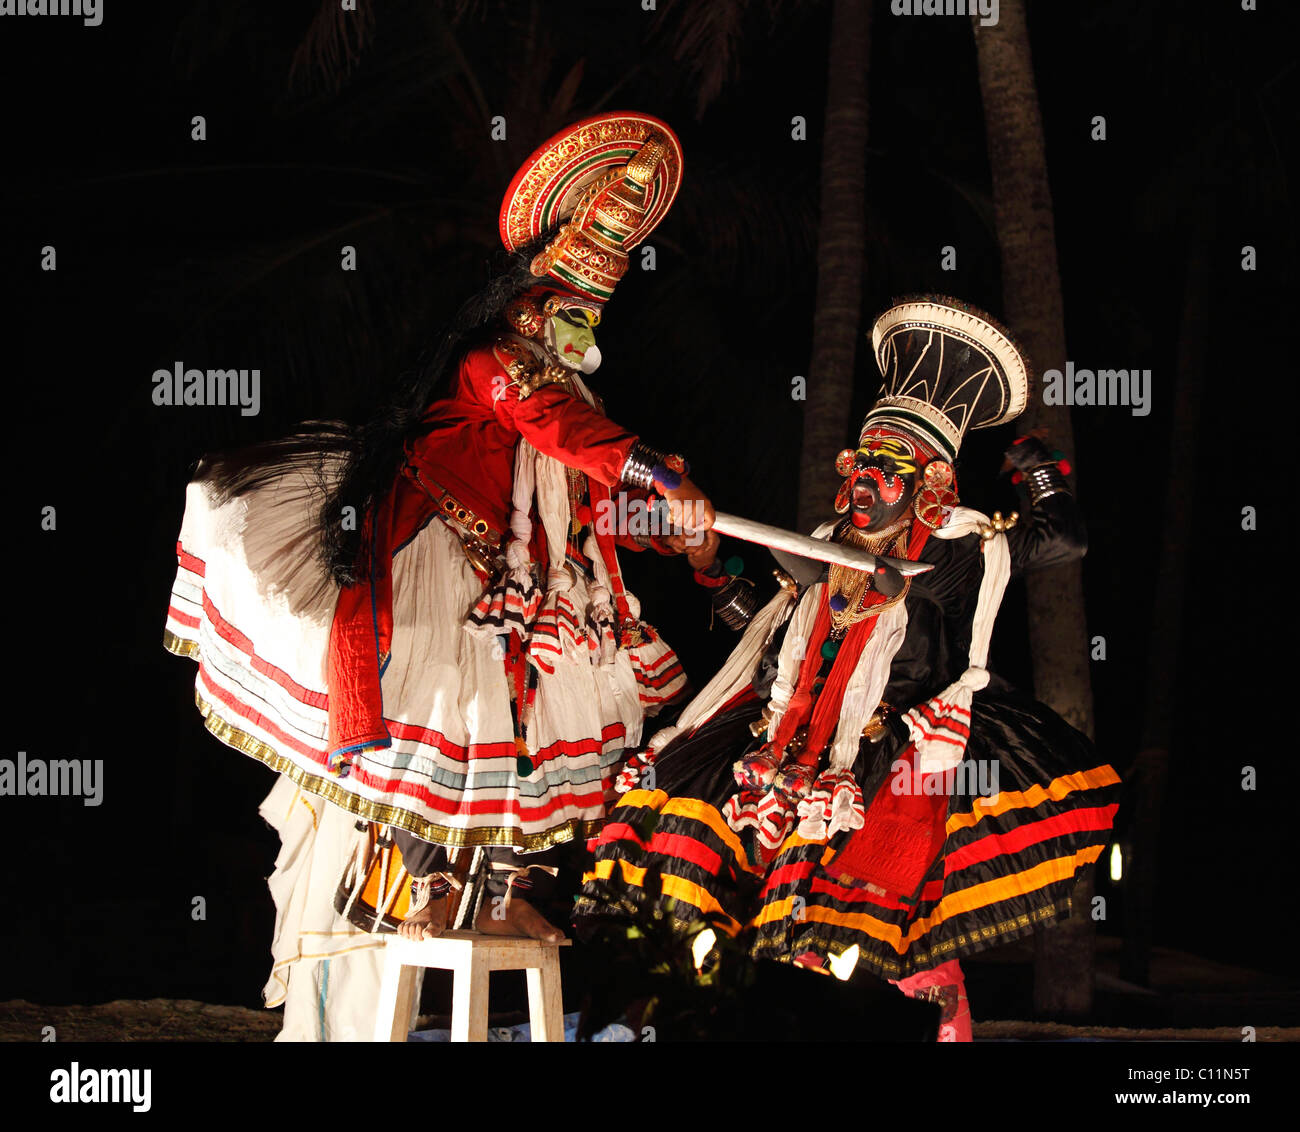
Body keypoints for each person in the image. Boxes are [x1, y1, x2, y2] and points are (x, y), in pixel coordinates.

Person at [164, 113, 720, 1035]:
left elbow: (588, 504)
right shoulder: (496, 366)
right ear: (527, 304)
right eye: (571, 309)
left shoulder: (576, 394)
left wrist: (684, 538)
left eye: (594, 313)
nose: (583, 327)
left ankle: (501, 896)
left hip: (533, 593)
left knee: (546, 746)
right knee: (440, 736)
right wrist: (665, 472)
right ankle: (407, 894)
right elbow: (560, 433)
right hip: (445, 574)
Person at [574, 296, 1120, 1041]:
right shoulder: (827, 546)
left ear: (929, 480)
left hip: (900, 756)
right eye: (860, 463)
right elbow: (783, 647)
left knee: (894, 931)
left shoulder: (959, 551)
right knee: (786, 929)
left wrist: (1039, 475)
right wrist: (718, 580)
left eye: (887, 467)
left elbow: (1063, 542)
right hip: (793, 750)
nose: (864, 480)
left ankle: (943, 1020)